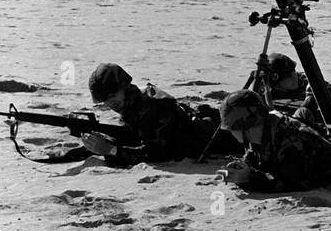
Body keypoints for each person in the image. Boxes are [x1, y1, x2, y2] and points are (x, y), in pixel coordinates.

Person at [79, 63, 238, 166]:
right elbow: (134, 136)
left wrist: (111, 150)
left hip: (223, 138)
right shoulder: (134, 102)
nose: (109, 103)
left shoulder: (151, 108)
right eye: (104, 100)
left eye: (112, 96)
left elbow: (156, 154)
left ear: (124, 87)